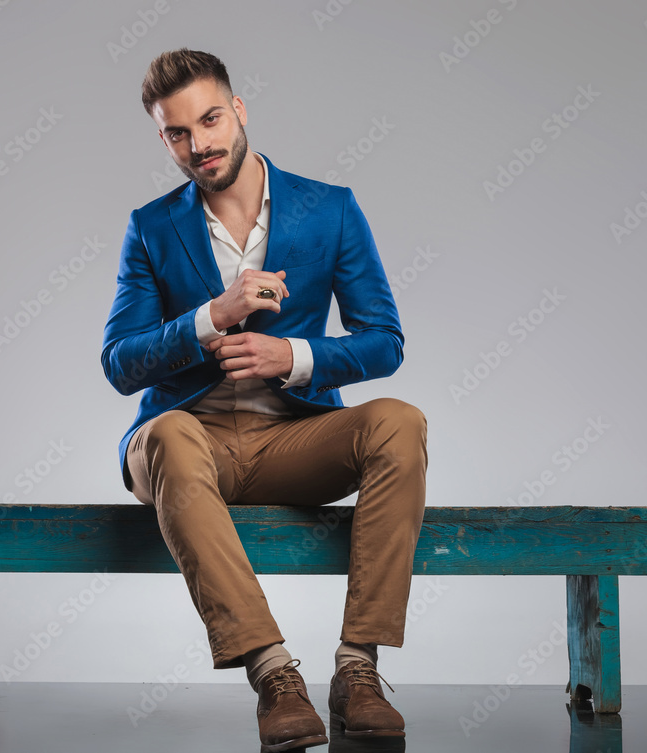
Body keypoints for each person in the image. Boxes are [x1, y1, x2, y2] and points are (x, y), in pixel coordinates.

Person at [102, 48, 427, 751]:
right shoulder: (152, 227)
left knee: (400, 422)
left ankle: (358, 669)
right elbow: (119, 364)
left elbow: (385, 340)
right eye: (177, 133)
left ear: (238, 110)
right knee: (166, 435)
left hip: (295, 440)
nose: (200, 144)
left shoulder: (329, 210)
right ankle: (274, 673)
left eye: (210, 119)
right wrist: (208, 317)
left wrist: (295, 356)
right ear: (162, 137)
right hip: (187, 445)